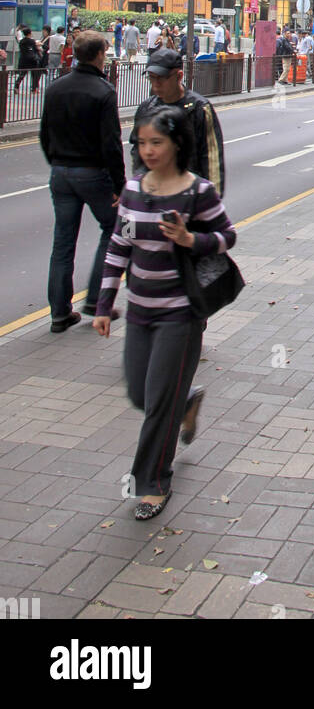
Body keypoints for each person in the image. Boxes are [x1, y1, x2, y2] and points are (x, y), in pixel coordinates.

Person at [93, 104, 236, 519]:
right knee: (140, 393)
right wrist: (104, 305)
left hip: (180, 314)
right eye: (141, 143)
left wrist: (192, 240)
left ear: (176, 142)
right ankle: (186, 401)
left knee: (157, 404)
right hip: (140, 310)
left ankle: (153, 482)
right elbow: (118, 249)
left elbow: (228, 237)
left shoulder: (198, 192)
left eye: (157, 142)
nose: (148, 150)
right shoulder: (134, 190)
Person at [39, 31, 126, 332]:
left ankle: (60, 313)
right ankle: (95, 300)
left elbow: (44, 134)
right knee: (113, 229)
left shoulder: (55, 87)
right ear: (100, 54)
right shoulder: (103, 91)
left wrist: (57, 163)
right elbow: (111, 143)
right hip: (92, 172)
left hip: (61, 171)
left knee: (62, 242)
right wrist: (119, 183)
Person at [131, 48, 226, 196]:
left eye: (161, 78)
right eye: (151, 78)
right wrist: (139, 187)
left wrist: (212, 199)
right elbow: (137, 152)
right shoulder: (146, 108)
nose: (155, 84)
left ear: (179, 76)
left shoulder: (199, 108)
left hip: (189, 196)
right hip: (153, 195)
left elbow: (211, 157)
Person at [13, 26, 42, 93]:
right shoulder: (32, 41)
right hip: (32, 60)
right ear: (30, 33)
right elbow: (35, 49)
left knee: (22, 74)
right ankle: (34, 88)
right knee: (34, 74)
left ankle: (16, 87)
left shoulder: (21, 41)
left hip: (23, 59)